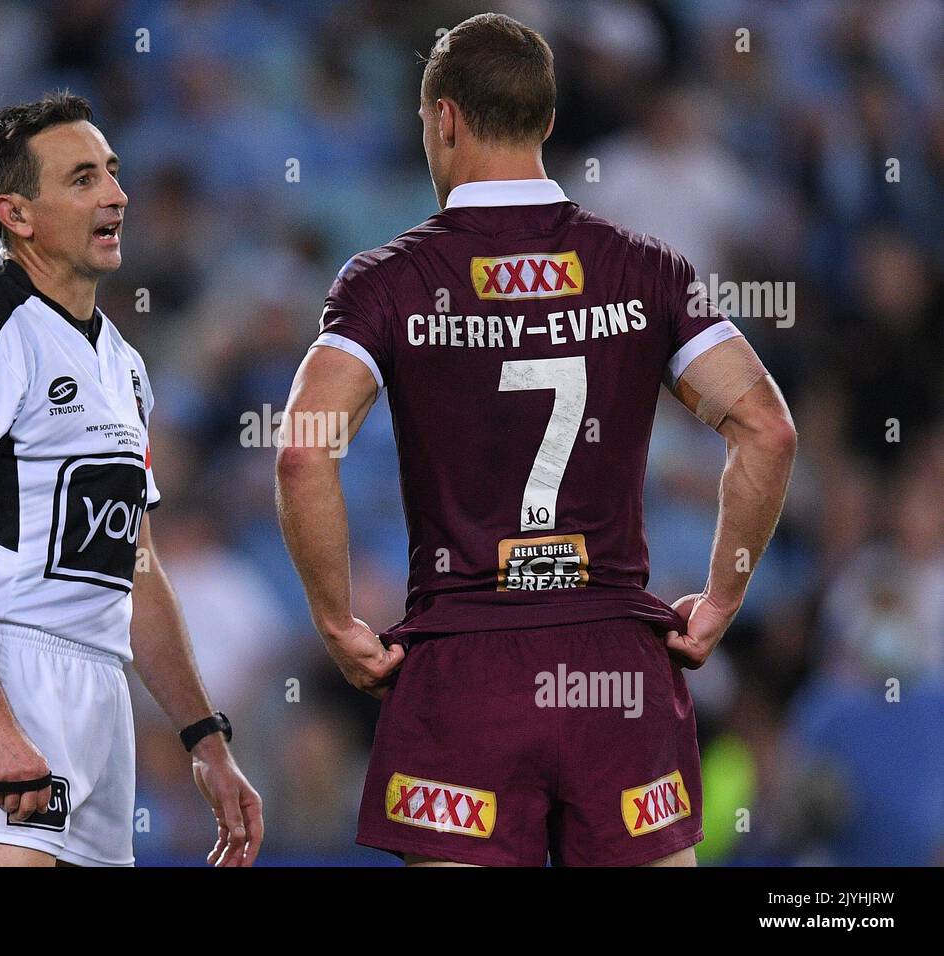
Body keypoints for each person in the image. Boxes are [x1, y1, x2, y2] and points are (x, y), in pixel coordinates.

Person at [275, 14, 796, 867]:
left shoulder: (392, 282)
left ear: (443, 119)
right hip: (616, 667)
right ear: (547, 122)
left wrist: (337, 622)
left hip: (465, 669)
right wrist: (721, 599)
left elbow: (303, 449)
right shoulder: (644, 268)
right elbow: (767, 429)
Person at [0, 92, 262, 867]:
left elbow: (138, 565)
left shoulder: (124, 364)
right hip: (2, 673)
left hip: (102, 696)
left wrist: (205, 740)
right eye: (84, 178)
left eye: (115, 173)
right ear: (17, 215)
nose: (117, 195)